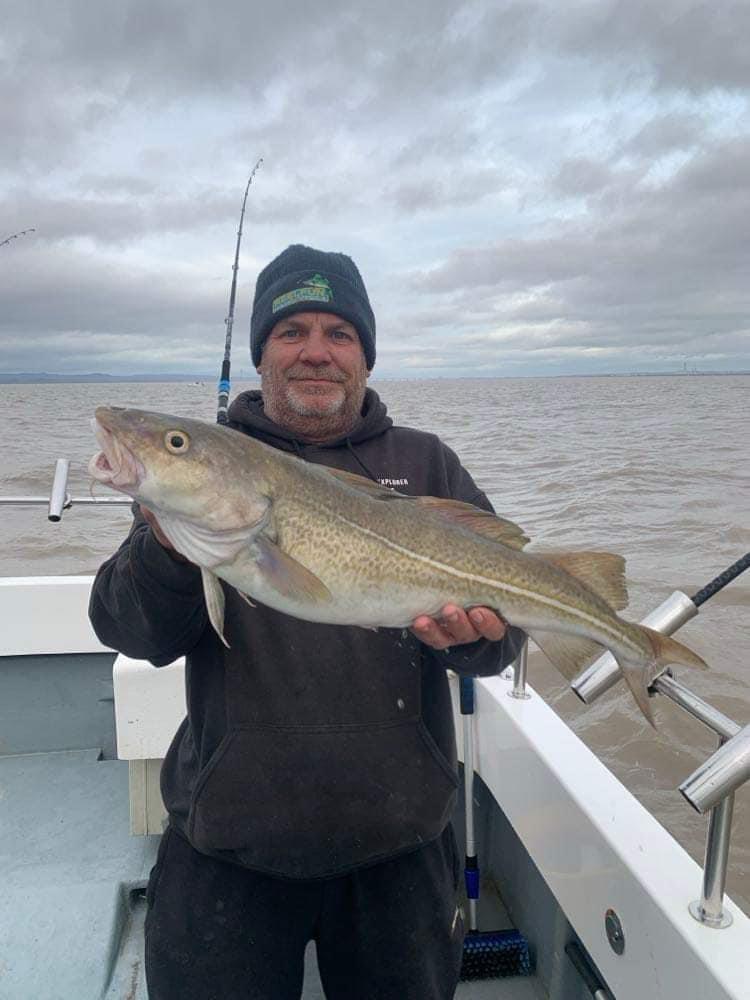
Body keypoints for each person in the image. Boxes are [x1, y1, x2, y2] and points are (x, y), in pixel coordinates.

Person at [89, 244, 525, 1000]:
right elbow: (133, 632)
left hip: (401, 846)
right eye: (291, 332)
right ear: (262, 355)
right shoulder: (200, 477)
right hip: (229, 845)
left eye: (338, 333)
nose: (315, 353)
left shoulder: (427, 466)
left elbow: (499, 645)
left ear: (365, 356)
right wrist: (166, 539)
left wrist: (482, 638)